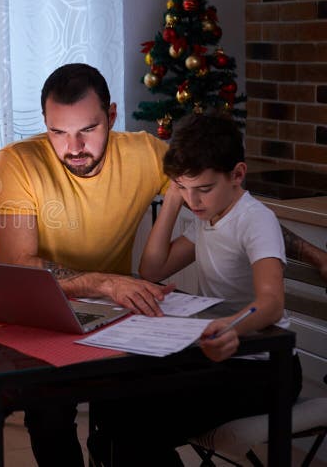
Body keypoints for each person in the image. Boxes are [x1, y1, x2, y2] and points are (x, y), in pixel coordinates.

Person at [0, 63, 175, 466]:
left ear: (110, 117)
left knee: (137, 412)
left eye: (87, 130)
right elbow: (20, 267)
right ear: (45, 124)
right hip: (44, 319)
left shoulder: (144, 152)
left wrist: (311, 253)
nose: (73, 147)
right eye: (58, 132)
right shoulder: (17, 162)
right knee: (50, 413)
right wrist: (107, 283)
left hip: (119, 323)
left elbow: (223, 200)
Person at [90, 113, 302, 466]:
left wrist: (233, 325)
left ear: (237, 174)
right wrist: (172, 201)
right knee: (112, 404)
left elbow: (271, 303)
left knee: (135, 428)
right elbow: (153, 269)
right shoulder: (210, 215)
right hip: (218, 360)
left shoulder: (255, 219)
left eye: (203, 189)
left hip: (265, 368)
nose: (194, 200)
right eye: (184, 188)